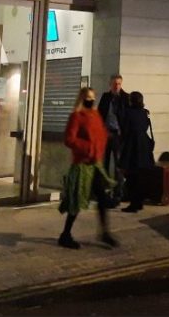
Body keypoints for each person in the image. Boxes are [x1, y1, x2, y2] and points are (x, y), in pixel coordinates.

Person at [58, 87, 117, 250]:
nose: (91, 100)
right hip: (82, 164)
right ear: (83, 98)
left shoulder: (96, 115)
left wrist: (101, 144)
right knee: (77, 201)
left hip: (95, 164)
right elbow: (69, 139)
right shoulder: (76, 116)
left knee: (102, 198)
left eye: (93, 97)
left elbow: (101, 134)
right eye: (88, 97)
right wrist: (89, 148)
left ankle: (104, 232)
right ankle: (65, 234)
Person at [119, 91, 155, 213]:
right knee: (140, 177)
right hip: (144, 146)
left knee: (131, 177)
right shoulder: (145, 113)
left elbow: (125, 129)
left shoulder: (128, 113)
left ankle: (134, 204)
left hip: (132, 146)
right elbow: (146, 127)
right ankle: (139, 202)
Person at [97, 74, 129, 204]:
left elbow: (127, 118)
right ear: (110, 84)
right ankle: (104, 191)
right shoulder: (106, 97)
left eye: (119, 84)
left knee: (118, 165)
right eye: (115, 84)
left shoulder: (125, 98)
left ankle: (118, 192)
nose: (117, 86)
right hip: (106, 134)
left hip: (118, 135)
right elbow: (99, 114)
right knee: (104, 163)